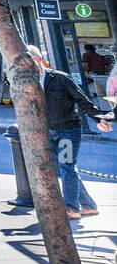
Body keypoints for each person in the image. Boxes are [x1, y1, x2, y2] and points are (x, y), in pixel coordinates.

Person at [29, 45, 111, 218]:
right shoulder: (29, 83)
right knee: (63, 169)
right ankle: (89, 205)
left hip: (68, 130)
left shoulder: (60, 78)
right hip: (49, 131)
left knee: (66, 167)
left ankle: (72, 208)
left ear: (37, 59)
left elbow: (82, 99)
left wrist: (98, 118)